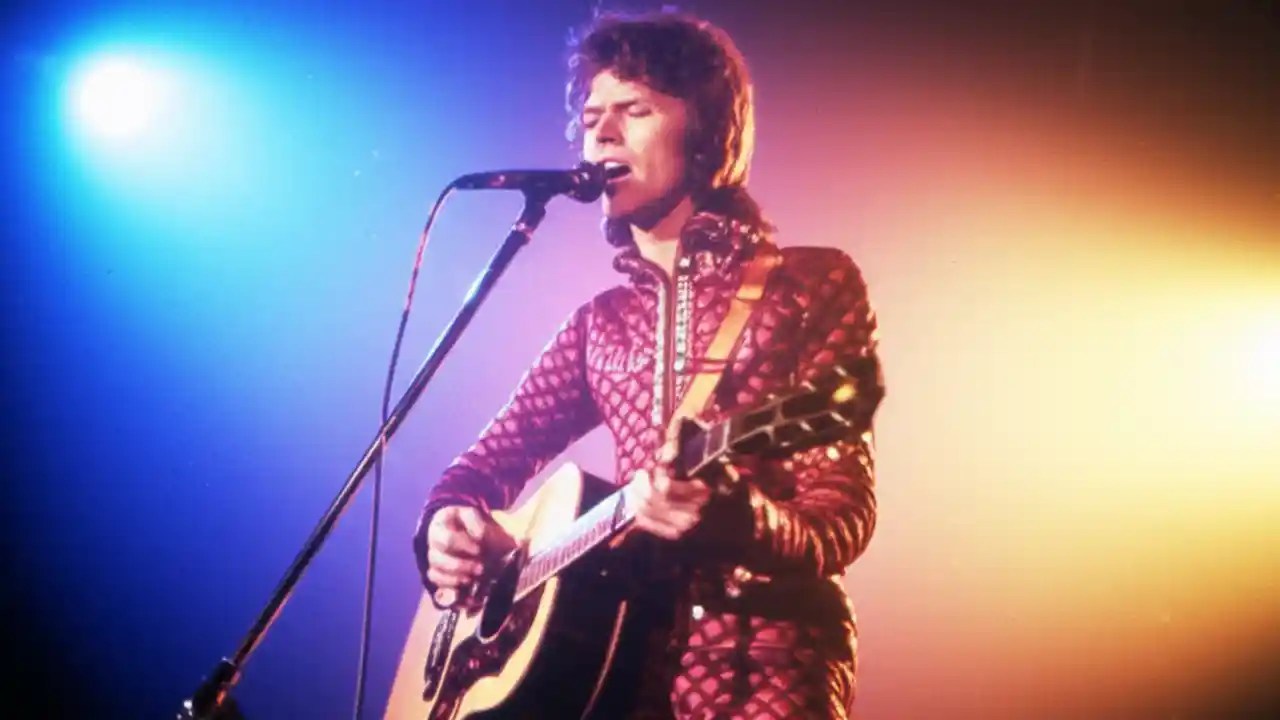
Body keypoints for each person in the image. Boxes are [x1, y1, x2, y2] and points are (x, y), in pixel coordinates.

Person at [412, 10, 880, 719]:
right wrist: (451, 522)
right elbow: (483, 465)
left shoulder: (809, 287)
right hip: (615, 675)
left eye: (634, 110)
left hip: (765, 667)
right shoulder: (600, 324)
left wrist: (734, 519)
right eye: (593, 115)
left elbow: (841, 516)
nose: (601, 132)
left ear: (706, 132)